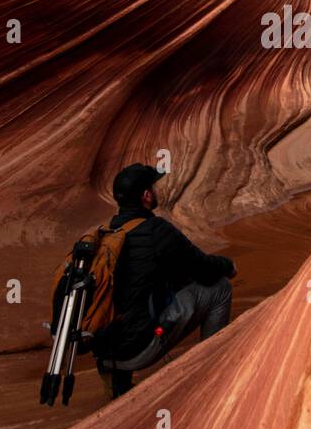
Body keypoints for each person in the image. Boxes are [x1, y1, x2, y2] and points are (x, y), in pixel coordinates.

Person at [96, 163, 236, 398]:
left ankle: (117, 380)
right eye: (153, 186)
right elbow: (202, 267)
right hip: (139, 349)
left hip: (106, 351)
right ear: (146, 195)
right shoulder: (156, 231)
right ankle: (211, 368)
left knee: (133, 302)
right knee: (220, 288)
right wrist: (228, 266)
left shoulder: (108, 234)